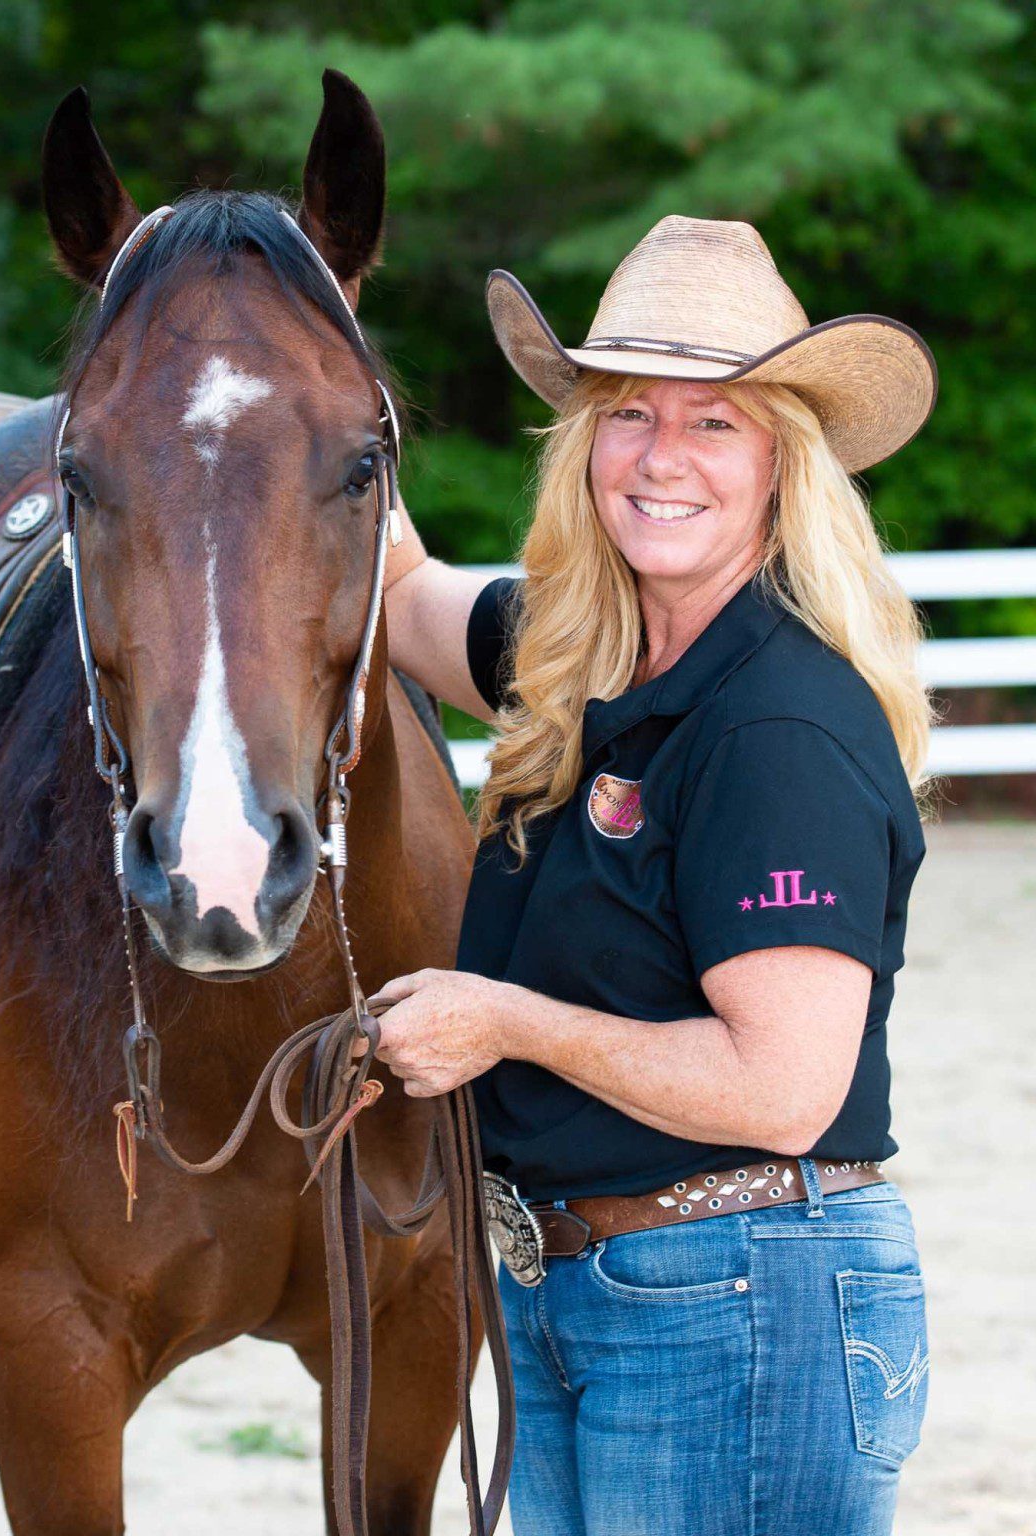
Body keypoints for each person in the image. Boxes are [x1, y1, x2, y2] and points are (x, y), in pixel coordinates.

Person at [375, 215, 937, 1535]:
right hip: (585, 1287)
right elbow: (401, 598)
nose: (662, 458)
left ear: (783, 468)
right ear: (585, 447)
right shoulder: (577, 659)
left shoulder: (775, 723)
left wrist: (500, 1022)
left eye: (715, 424)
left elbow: (785, 1089)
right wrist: (321, 388)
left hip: (739, 1292)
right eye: (629, 414)